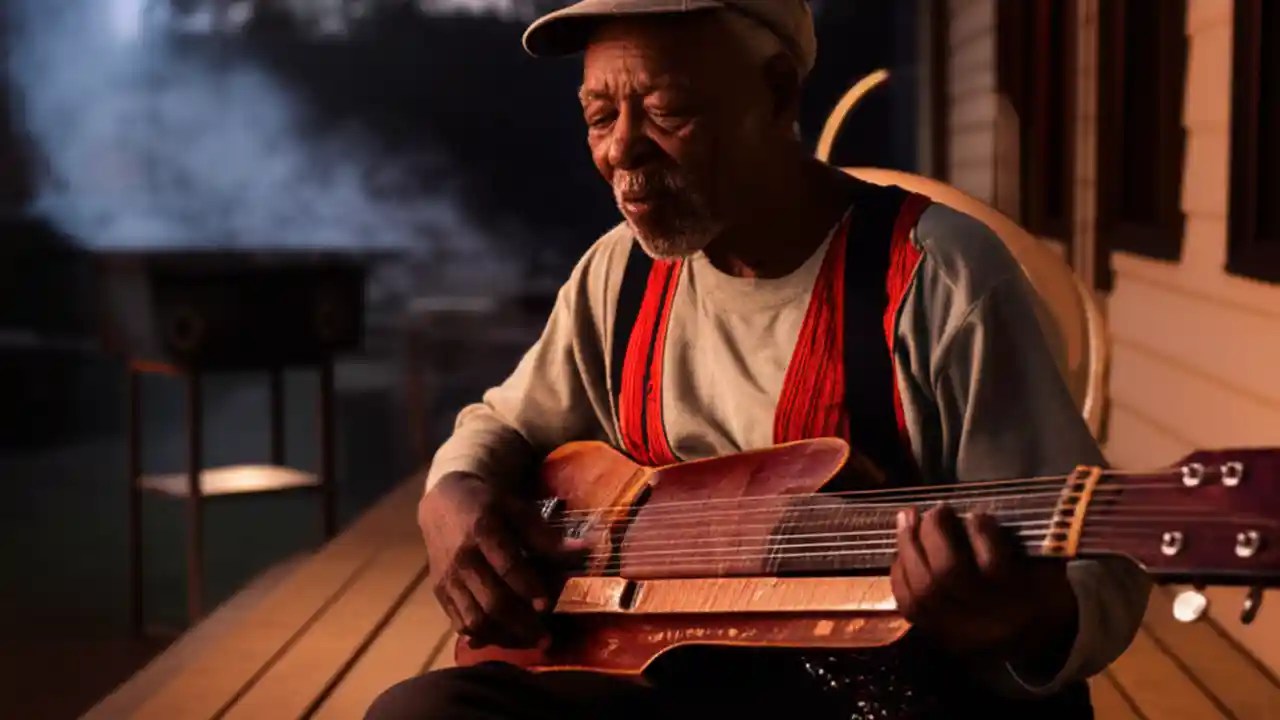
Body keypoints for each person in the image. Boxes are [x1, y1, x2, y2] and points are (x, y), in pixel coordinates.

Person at [366, 1, 1151, 718]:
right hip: (663, 678)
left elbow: (1098, 564)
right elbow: (502, 422)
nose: (621, 152)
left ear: (778, 94)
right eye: (599, 115)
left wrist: (1025, 619)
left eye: (667, 110)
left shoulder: (934, 273)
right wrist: (453, 494)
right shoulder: (620, 272)